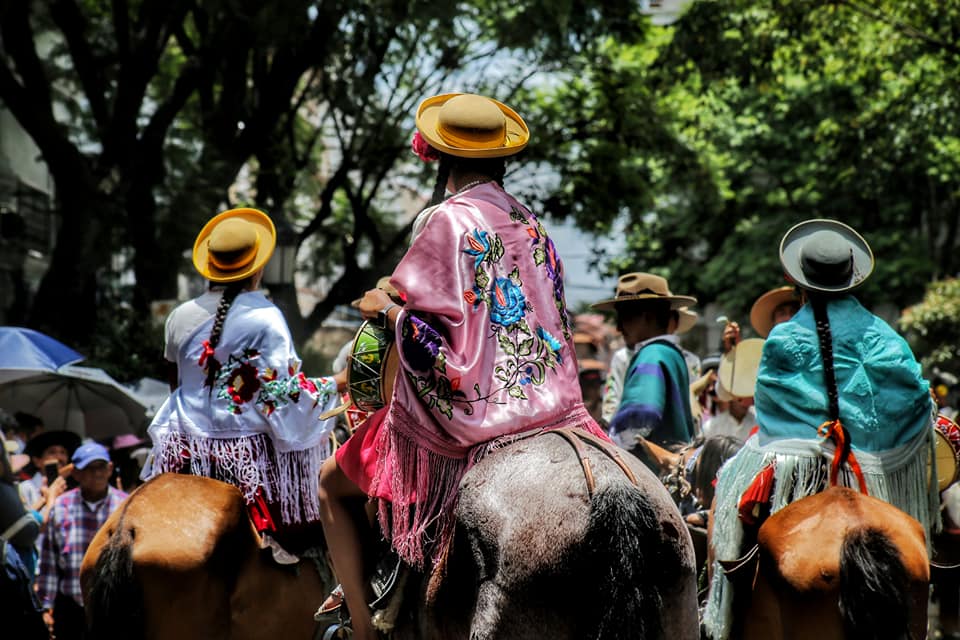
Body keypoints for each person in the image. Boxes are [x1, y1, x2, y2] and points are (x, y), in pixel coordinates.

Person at [318, 92, 607, 640]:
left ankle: (361, 624)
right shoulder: (529, 221)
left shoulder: (445, 219)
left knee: (331, 484)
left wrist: (390, 309)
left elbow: (427, 332)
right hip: (554, 406)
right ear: (502, 158)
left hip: (474, 408)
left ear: (439, 156)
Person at [703, 219, 940, 639]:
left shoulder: (780, 339)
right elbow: (918, 405)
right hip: (875, 479)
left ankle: (726, 608)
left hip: (797, 476)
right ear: (853, 277)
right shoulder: (886, 340)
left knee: (728, 483)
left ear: (794, 280)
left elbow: (773, 424)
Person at [141, 207, 342, 552]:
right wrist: (338, 381)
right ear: (258, 267)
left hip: (182, 451)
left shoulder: (178, 317)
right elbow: (283, 396)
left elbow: (175, 383)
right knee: (310, 543)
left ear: (210, 265)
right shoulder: (266, 317)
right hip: (245, 460)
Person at [592, 272, 698, 458]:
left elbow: (638, 420)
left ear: (647, 316)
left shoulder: (651, 355)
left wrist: (607, 448)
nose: (619, 328)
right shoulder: (671, 354)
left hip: (651, 472)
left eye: (624, 317)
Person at [38, 442, 127, 640]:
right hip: (70, 608)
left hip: (113, 608)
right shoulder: (61, 506)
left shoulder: (125, 507)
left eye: (101, 467)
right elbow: (49, 561)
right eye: (89, 468)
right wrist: (46, 606)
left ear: (110, 469)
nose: (96, 473)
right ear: (76, 474)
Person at [17, 430, 79, 523]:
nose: (59, 457)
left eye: (63, 452)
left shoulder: (70, 491)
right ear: (37, 461)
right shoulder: (26, 488)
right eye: (52, 452)